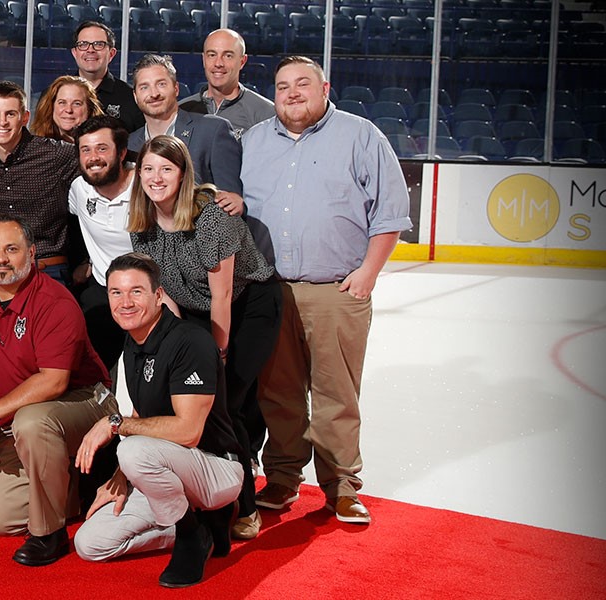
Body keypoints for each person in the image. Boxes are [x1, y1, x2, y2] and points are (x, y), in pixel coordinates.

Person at [240, 56, 411, 528]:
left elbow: (391, 213)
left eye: (302, 84)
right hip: (269, 292)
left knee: (336, 393)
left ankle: (341, 486)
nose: (292, 93)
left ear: (324, 87)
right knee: (278, 392)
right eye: (282, 86)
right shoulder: (252, 142)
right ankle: (282, 477)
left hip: (336, 290)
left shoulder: (361, 136)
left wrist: (368, 273)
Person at [0, 218, 113, 566]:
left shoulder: (55, 301)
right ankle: (69, 486)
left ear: (32, 254)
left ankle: (49, 533)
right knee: (1, 521)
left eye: (11, 249)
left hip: (85, 402)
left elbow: (53, 381)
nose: (1, 258)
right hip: (13, 418)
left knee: (32, 422)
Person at [129, 134, 280, 540]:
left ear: (183, 175)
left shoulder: (211, 217)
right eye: (148, 168)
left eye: (166, 169)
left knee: (225, 400)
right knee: (195, 399)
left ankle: (246, 507)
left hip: (247, 307)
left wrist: (219, 353)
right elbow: (167, 297)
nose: (156, 177)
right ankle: (205, 492)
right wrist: (175, 347)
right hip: (193, 307)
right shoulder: (141, 225)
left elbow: (224, 294)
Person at [71, 253, 243, 589]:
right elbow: (142, 413)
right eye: (116, 293)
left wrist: (113, 424)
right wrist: (122, 476)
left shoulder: (188, 341)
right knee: (90, 544)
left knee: (133, 451)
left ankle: (192, 535)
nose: (125, 302)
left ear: (159, 295)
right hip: (168, 474)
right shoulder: (134, 341)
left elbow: (188, 431)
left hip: (216, 467)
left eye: (136, 291)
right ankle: (197, 524)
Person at [0, 82, 79, 284]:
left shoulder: (54, 154)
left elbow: (102, 164)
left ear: (25, 118)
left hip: (45, 268)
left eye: (10, 114)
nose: (2, 122)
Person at [127, 54, 246, 216]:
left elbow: (231, 202)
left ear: (176, 89)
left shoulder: (214, 130)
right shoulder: (130, 144)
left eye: (161, 84)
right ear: (135, 96)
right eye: (144, 87)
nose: (153, 93)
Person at [66, 116, 135, 368]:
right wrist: (87, 261)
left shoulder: (146, 185)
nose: (93, 157)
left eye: (102, 148)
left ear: (122, 152)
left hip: (151, 293)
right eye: (86, 150)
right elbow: (75, 224)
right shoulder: (78, 189)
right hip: (103, 290)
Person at [179, 29, 277, 138]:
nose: (218, 63)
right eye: (212, 55)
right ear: (203, 59)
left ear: (242, 61)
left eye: (228, 56)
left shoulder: (266, 113)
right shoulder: (183, 109)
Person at [71, 20, 145, 132]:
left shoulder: (131, 98)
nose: (90, 50)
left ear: (111, 53)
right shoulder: (54, 95)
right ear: (74, 53)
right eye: (83, 44)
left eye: (99, 44)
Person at [30, 75, 104, 144]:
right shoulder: (35, 148)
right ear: (52, 107)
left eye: (77, 103)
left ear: (89, 109)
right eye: (62, 102)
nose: (69, 110)